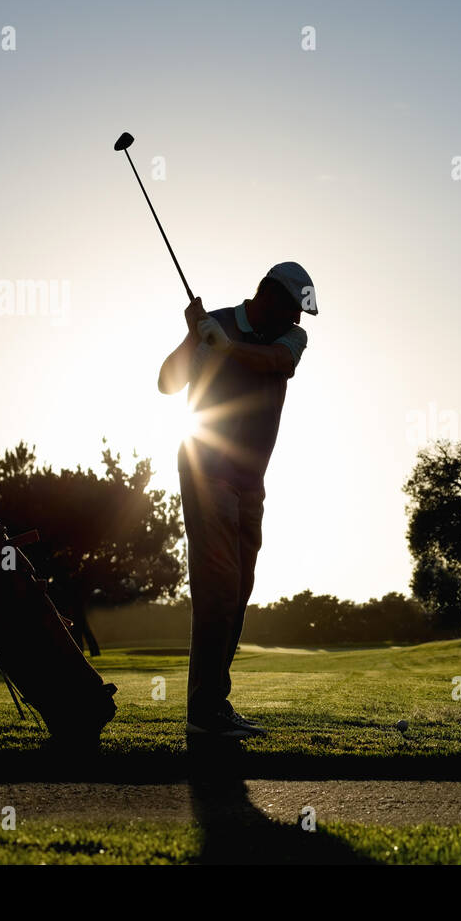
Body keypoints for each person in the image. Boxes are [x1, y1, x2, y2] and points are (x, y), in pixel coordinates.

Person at [158, 262, 316, 739]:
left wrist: (227, 347)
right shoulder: (217, 326)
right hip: (206, 469)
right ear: (266, 294)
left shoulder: (290, 339)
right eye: (292, 309)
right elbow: (167, 383)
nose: (298, 322)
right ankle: (205, 710)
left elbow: (277, 363)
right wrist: (194, 339)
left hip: (250, 482)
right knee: (219, 586)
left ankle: (210, 706)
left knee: (239, 590)